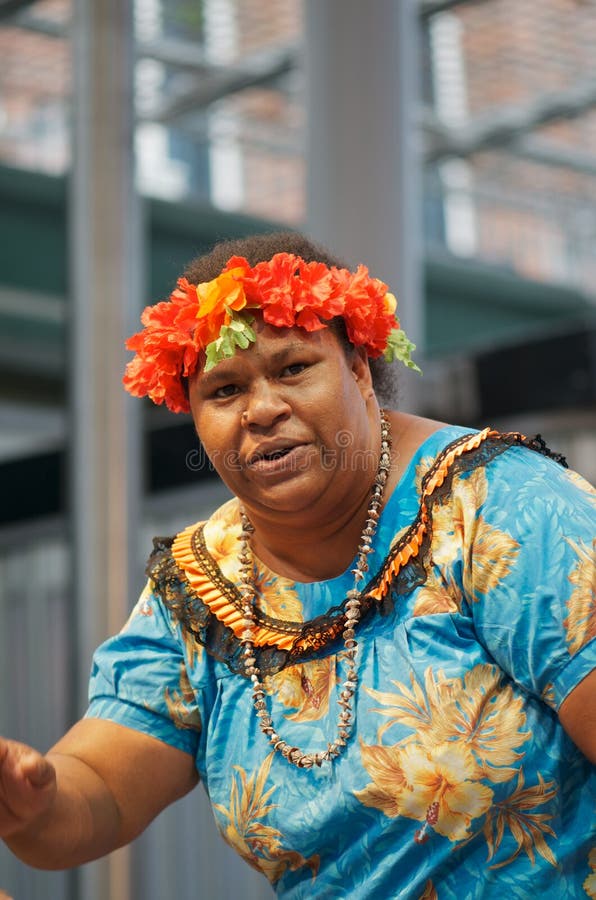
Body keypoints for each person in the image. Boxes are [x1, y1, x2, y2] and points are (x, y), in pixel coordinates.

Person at [1, 231, 594, 898]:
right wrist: (33, 800)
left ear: (360, 370)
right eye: (224, 389)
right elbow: (103, 789)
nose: (262, 411)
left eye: (292, 370)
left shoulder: (503, 508)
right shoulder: (202, 584)